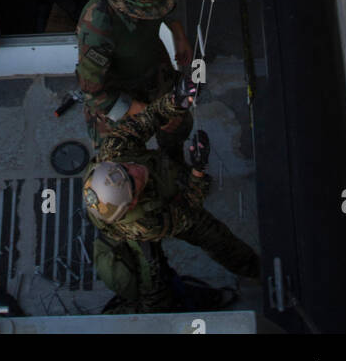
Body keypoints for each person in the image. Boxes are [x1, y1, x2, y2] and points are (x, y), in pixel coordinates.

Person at [84, 85, 260, 312]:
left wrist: (176, 100)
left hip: (160, 172)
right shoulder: (145, 224)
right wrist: (198, 172)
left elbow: (145, 121)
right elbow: (189, 209)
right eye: (133, 180)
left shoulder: (113, 152)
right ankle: (256, 271)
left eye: (126, 166)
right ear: (133, 202)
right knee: (212, 237)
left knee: (177, 123)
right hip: (158, 211)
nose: (136, 169)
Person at [75, 0, 194, 160]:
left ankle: (173, 170)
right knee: (118, 160)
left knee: (178, 123)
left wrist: (179, 35)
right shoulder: (97, 27)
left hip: (152, 68)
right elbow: (93, 93)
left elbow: (166, 3)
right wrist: (154, 116)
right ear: (127, 9)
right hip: (116, 92)